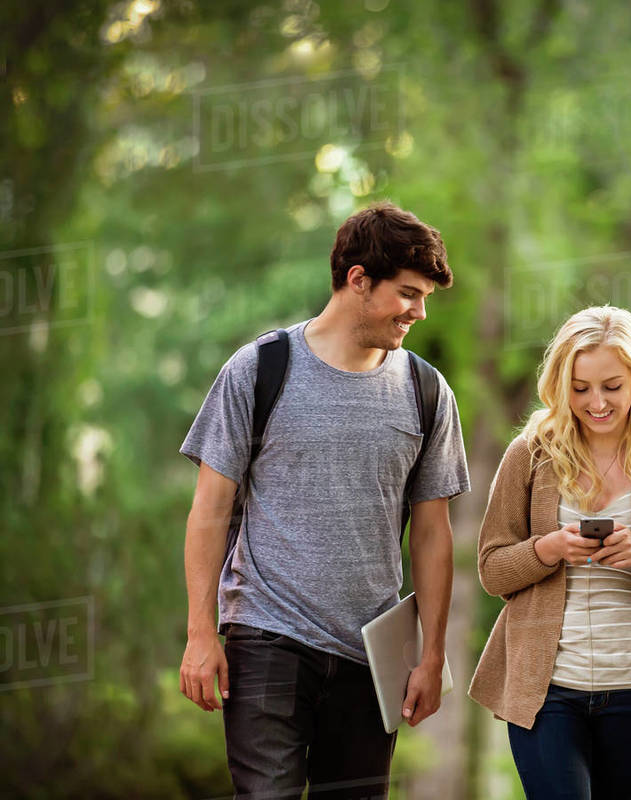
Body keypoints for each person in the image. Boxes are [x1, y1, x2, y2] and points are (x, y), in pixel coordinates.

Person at [178, 202, 470, 799]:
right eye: (408, 294)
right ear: (358, 280)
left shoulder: (426, 391)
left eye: (425, 299)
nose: (418, 312)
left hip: (372, 653)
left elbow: (433, 531)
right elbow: (209, 508)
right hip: (266, 639)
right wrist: (200, 633)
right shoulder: (259, 370)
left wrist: (432, 654)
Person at [469, 306, 631, 800]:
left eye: (612, 386)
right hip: (546, 691)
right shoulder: (529, 456)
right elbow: (492, 570)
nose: (597, 402)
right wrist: (548, 548)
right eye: (580, 387)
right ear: (560, 385)